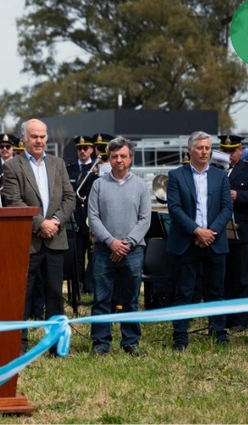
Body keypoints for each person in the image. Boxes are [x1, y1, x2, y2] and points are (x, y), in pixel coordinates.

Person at [2, 118, 76, 354]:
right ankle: (19, 346)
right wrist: (39, 224)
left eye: (42, 136)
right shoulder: (13, 166)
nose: (39, 140)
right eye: (34, 136)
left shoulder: (58, 164)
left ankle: (56, 346)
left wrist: (54, 221)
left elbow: (69, 198)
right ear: (24, 139)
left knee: (55, 294)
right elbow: (14, 202)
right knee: (23, 294)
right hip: (29, 241)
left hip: (56, 239)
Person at [166, 131, 232, 352]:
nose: (205, 152)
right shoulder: (176, 175)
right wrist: (197, 231)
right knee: (184, 291)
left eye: (207, 148)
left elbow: (226, 207)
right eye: (200, 148)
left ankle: (219, 332)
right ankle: (180, 335)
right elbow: (174, 208)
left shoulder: (220, 176)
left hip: (215, 241)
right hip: (188, 242)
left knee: (216, 290)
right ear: (190, 150)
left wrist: (210, 232)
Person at [87, 136, 150, 356]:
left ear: (130, 158)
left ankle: (130, 341)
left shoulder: (141, 186)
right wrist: (111, 242)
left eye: (123, 156)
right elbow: (93, 218)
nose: (119, 160)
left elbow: (145, 220)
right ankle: (101, 342)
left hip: (133, 252)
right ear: (109, 159)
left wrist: (127, 243)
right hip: (105, 250)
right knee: (102, 298)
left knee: (130, 299)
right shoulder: (98, 185)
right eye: (114, 157)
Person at [218, 135, 248, 331]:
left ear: (240, 150)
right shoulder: (216, 171)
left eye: (232, 151)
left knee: (242, 277)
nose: (229, 155)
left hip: (243, 230)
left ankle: (240, 319)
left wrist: (238, 195)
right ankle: (223, 317)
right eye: (225, 151)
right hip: (221, 232)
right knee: (223, 277)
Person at [67, 135, 96, 295]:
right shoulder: (70, 169)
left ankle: (89, 285)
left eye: (86, 148)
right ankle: (77, 283)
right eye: (79, 148)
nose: (83, 151)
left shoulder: (96, 168)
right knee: (77, 254)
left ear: (91, 149)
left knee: (93, 255)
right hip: (76, 218)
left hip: (91, 218)